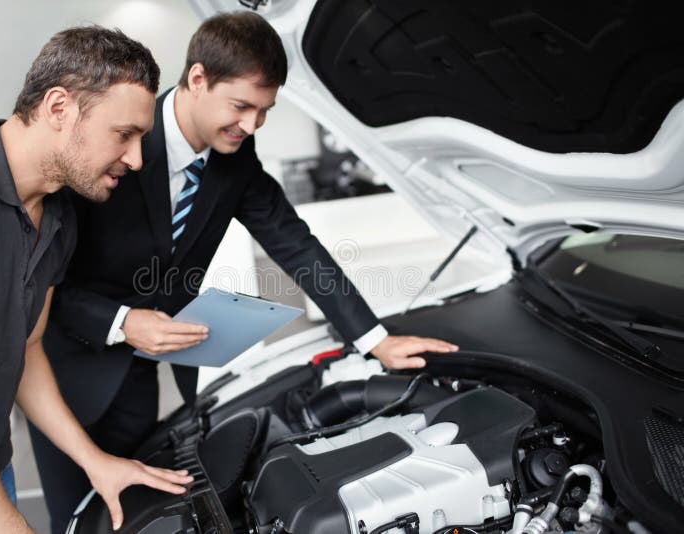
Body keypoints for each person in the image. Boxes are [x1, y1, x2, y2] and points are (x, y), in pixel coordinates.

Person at [36, 11, 459, 532]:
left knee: (135, 517)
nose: (252, 125)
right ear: (197, 79)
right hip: (67, 377)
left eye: (264, 111)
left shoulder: (236, 154)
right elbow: (46, 284)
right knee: (76, 522)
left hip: (147, 377)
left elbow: (295, 243)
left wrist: (373, 340)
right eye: (241, 106)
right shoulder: (108, 141)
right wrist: (125, 321)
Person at [0, 26, 193, 534]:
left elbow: (26, 352)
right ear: (58, 108)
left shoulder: (59, 217)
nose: (136, 159)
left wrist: (94, 460)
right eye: (124, 134)